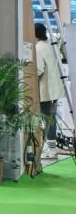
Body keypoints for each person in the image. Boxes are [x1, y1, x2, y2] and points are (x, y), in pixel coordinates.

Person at [35, 22, 64, 160]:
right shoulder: (52, 45)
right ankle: (51, 147)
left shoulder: (38, 48)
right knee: (50, 118)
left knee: (47, 118)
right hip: (54, 88)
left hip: (46, 89)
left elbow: (38, 69)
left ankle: (51, 149)